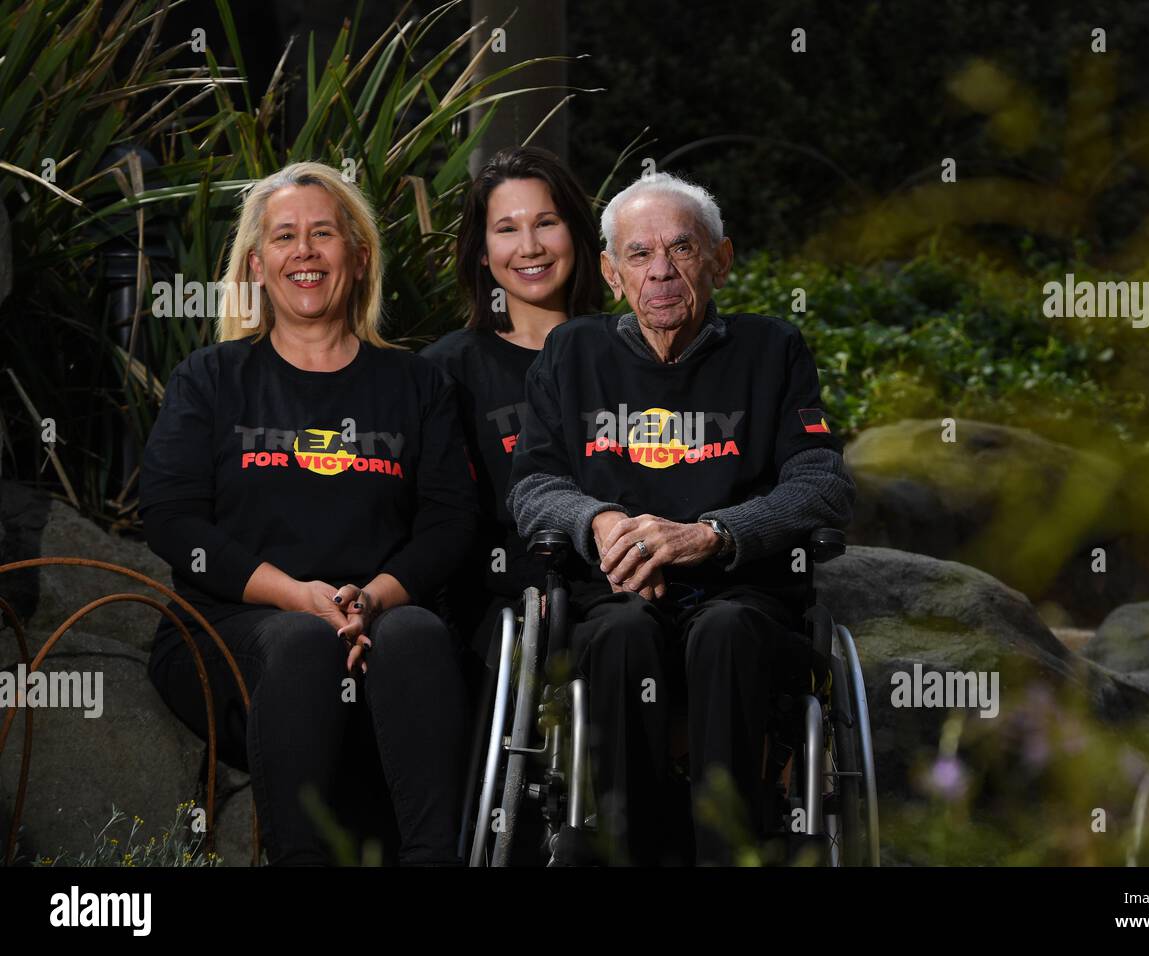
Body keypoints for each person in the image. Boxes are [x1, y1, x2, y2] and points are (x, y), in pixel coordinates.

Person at [507, 172, 856, 865]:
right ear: (610, 273)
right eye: (639, 254)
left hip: (740, 594)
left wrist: (714, 535)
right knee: (622, 633)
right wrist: (599, 521)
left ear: (720, 260)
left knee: (725, 630)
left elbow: (823, 485)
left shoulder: (770, 350)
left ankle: (725, 849)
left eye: (682, 249)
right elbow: (534, 485)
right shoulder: (574, 353)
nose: (661, 270)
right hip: (614, 595)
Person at [139, 161, 478, 866]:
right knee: (300, 642)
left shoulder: (418, 384)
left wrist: (372, 600)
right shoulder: (210, 378)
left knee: (415, 632)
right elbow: (171, 519)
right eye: (286, 237)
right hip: (231, 637)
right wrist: (299, 598)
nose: (305, 252)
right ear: (258, 265)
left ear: (357, 256)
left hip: (378, 630)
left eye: (323, 234)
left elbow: (450, 523)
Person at [419, 147, 603, 666]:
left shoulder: (625, 349)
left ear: (577, 233)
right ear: (481, 250)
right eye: (506, 229)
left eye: (547, 222)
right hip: (502, 604)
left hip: (625, 590)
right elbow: (442, 521)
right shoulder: (448, 368)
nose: (530, 247)